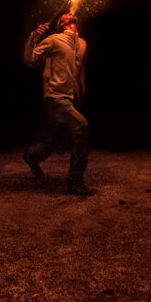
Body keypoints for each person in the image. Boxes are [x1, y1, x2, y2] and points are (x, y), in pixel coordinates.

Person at [22, 13, 92, 196]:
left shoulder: (82, 43)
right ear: (61, 24)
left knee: (54, 142)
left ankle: (31, 156)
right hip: (55, 99)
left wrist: (80, 87)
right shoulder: (54, 40)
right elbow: (29, 60)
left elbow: (77, 68)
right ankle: (75, 182)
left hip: (68, 99)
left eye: (71, 14)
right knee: (81, 126)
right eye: (64, 16)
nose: (69, 13)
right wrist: (34, 37)